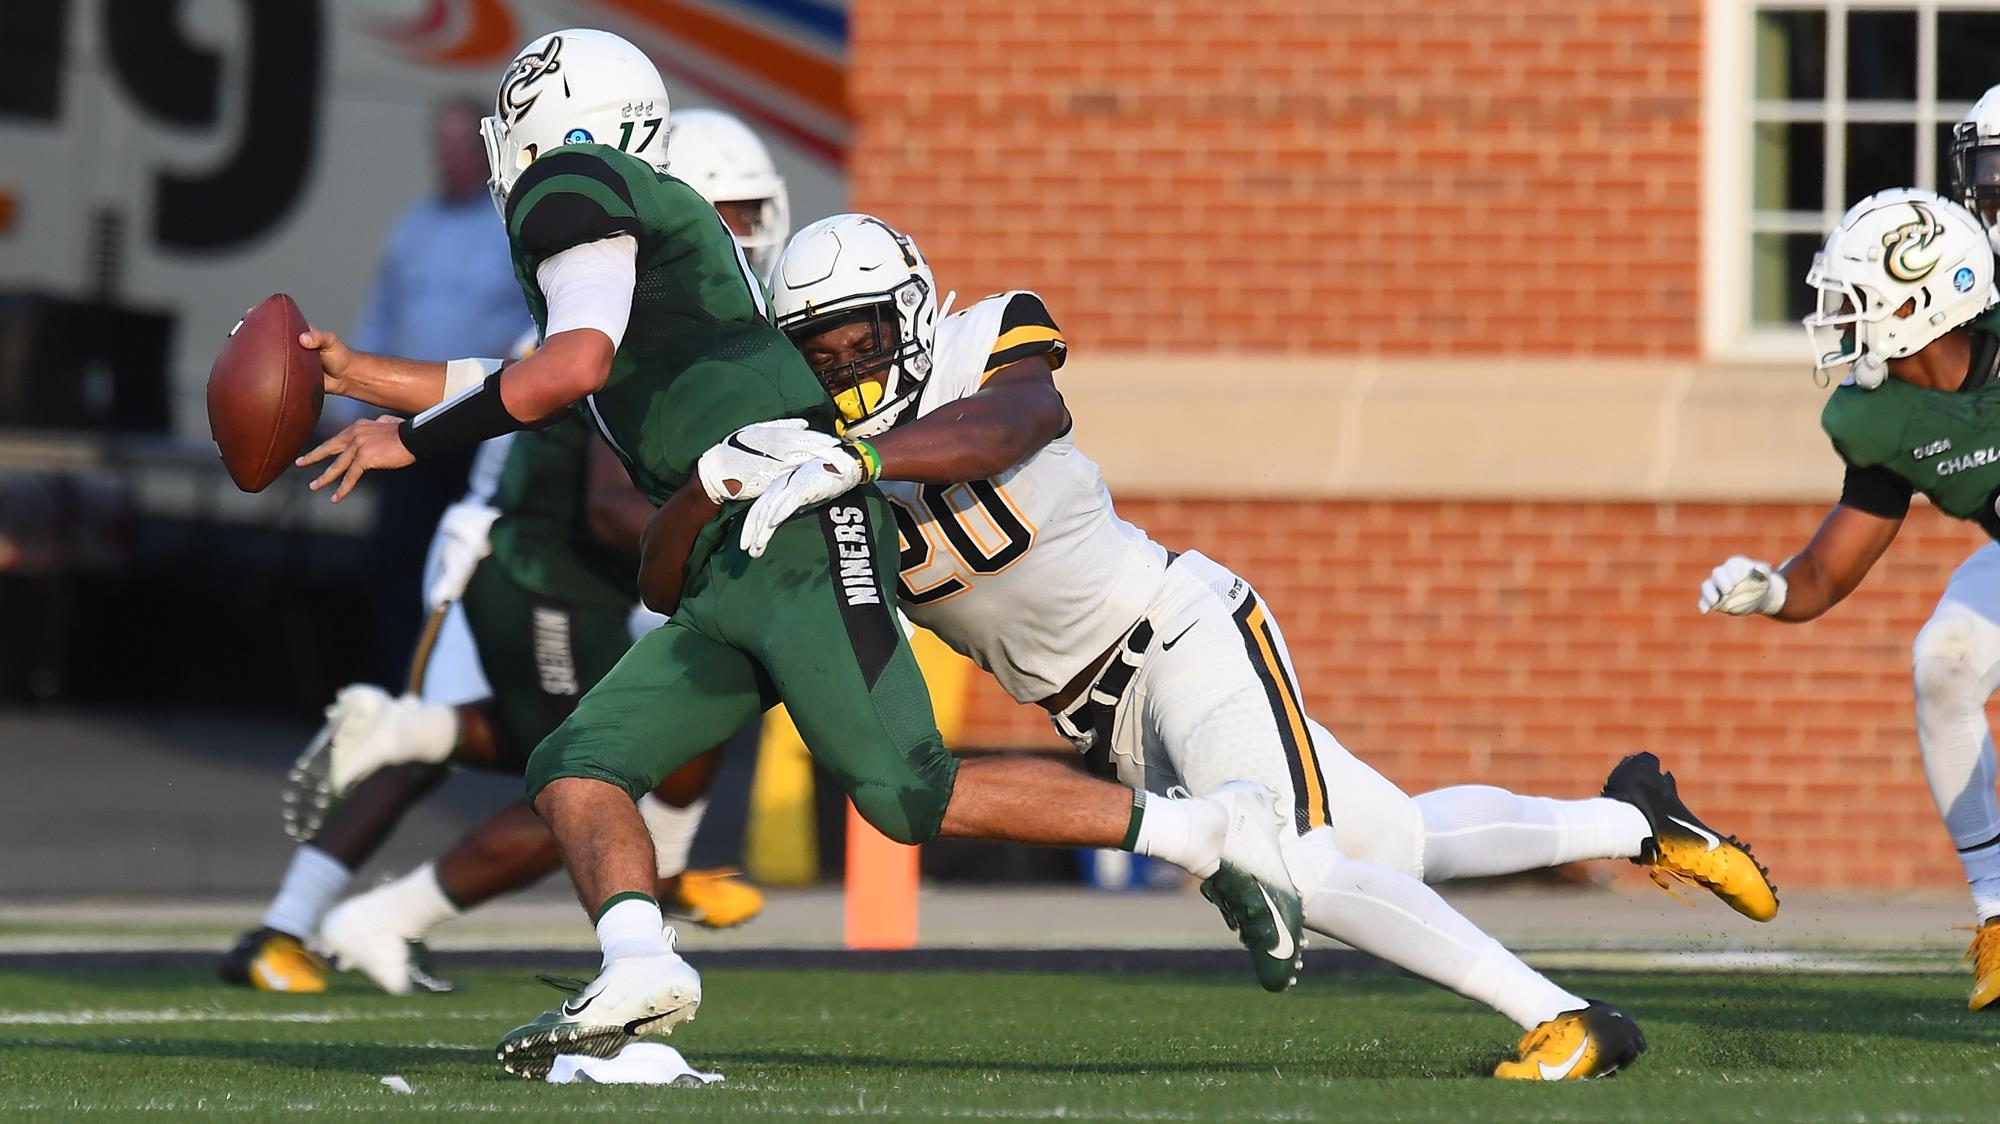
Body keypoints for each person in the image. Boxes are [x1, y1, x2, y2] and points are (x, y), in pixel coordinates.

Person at [293, 29, 1303, 1079]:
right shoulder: (622, 227)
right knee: (575, 765)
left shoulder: (568, 183)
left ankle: (1206, 832)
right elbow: (544, 369)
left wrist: (410, 439)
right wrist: (360, 375)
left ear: (546, 123)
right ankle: (638, 965)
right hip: (729, 552)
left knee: (907, 793)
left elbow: (569, 366)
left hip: (793, 528)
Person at [662, 213, 1783, 1079]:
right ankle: (1638, 819)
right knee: (1394, 842)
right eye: (820, 350)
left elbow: (1018, 421)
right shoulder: (805, 452)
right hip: (1100, 718)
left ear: (911, 309)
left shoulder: (980, 341)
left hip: (1181, 632)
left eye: (861, 336)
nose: (845, 367)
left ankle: (1566, 1016)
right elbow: (697, 582)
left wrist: (862, 460)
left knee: (1295, 864)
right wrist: (721, 490)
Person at [217, 110, 795, 995]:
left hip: (563, 565)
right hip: (523, 559)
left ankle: (344, 894)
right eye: (725, 214)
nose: (741, 235)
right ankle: (307, 920)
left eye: (748, 214)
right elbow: (608, 498)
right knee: (581, 771)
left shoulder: (649, 304)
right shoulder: (630, 307)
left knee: (601, 743)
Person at [1699, 185, 2000, 1012]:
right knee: (1943, 664)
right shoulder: (1884, 418)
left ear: (1919, 299)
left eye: (1854, 298)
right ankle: (1999, 914)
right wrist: (1771, 589)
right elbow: (1828, 574)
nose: (1838, 319)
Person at [343, 98, 538, 686]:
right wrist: (348, 403)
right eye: (442, 147)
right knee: (397, 558)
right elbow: (382, 316)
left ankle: (460, 694)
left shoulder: (513, 230)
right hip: (404, 423)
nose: (450, 159)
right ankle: (396, 689)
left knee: (469, 563)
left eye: (461, 147)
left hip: (481, 425)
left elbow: (538, 325)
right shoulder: (413, 229)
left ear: (485, 152)